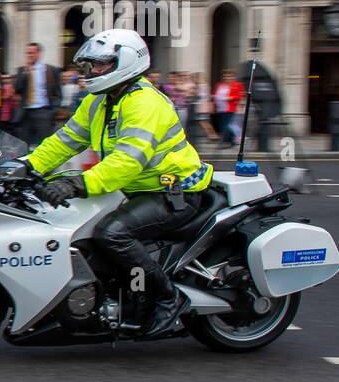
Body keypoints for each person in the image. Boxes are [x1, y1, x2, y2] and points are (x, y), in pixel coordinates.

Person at [18, 29, 212, 336]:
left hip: (171, 190)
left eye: (102, 64)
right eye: (91, 64)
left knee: (113, 233)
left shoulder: (144, 103)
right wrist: (25, 167)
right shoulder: (99, 101)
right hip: (136, 188)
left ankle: (168, 298)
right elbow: (64, 141)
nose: (93, 71)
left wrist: (76, 185)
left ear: (126, 62)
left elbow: (127, 161)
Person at [13, 42, 62, 144]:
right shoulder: (22, 70)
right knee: (23, 143)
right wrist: (25, 72)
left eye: (32, 53)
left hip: (43, 112)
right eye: (27, 53)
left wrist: (53, 110)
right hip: (25, 113)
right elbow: (17, 88)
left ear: (39, 54)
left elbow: (58, 91)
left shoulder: (50, 70)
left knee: (44, 143)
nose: (29, 55)